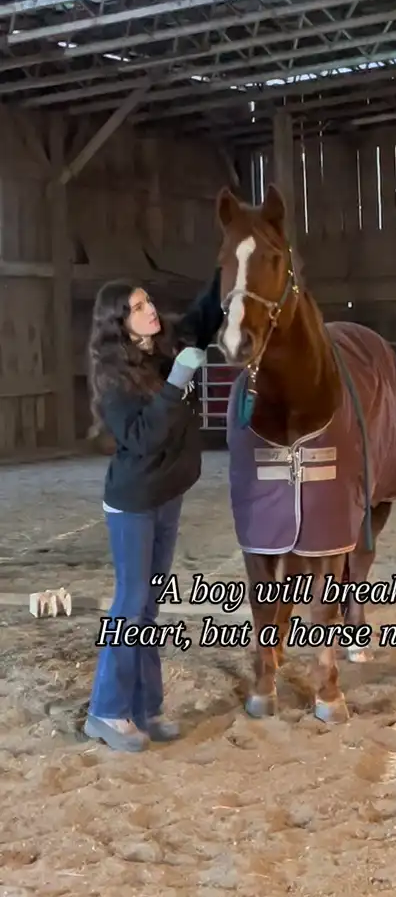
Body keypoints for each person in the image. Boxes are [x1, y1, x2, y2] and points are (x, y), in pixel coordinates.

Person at [84, 275, 223, 752]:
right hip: (133, 501)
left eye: (148, 301)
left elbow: (205, 315)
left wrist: (232, 260)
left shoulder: (165, 344)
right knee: (130, 602)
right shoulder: (113, 379)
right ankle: (106, 711)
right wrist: (177, 382)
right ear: (119, 323)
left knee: (149, 605)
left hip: (167, 494)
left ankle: (145, 708)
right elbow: (142, 437)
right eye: (138, 307)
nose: (150, 310)